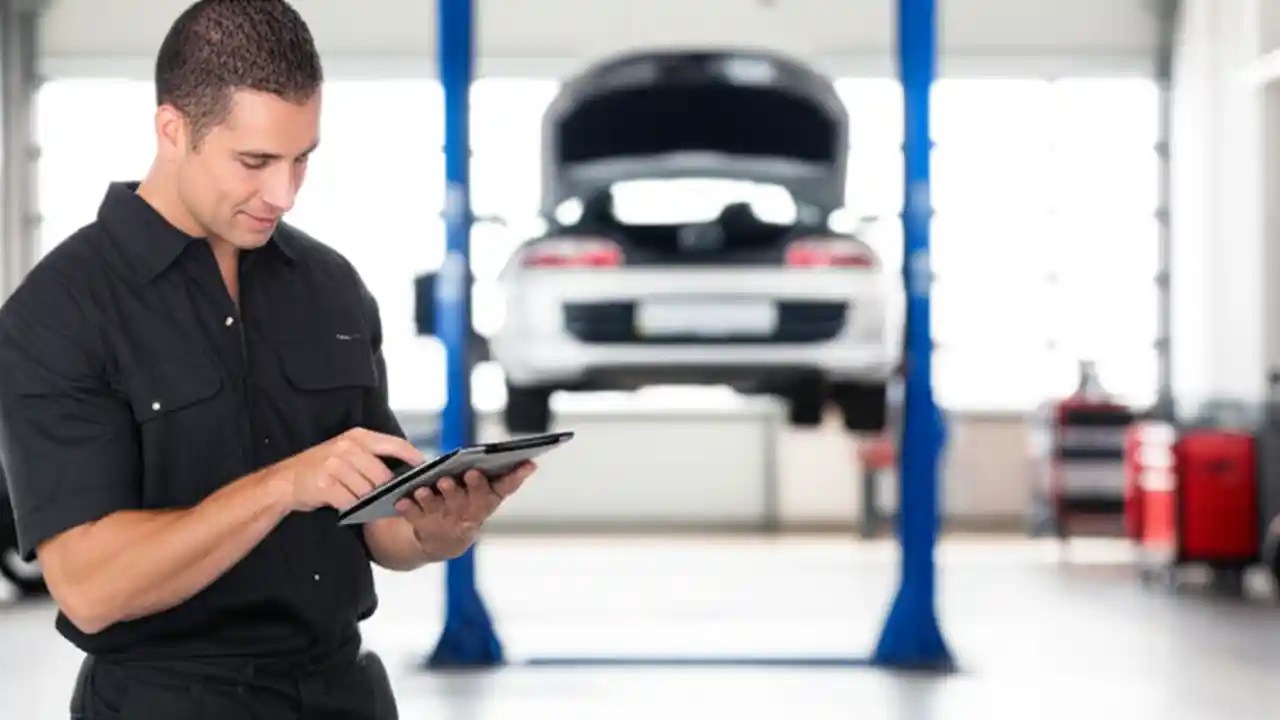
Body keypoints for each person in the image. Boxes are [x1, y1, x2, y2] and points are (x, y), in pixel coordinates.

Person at [0, 1, 537, 717]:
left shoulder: (330, 285)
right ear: (172, 130)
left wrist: (438, 527)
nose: (283, 194)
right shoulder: (59, 311)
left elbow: (379, 529)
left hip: (343, 693)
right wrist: (282, 485)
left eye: (302, 158)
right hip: (169, 704)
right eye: (254, 162)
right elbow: (91, 589)